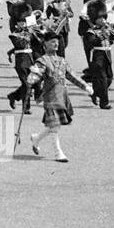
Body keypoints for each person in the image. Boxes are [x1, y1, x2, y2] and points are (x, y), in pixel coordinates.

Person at [26, 32, 91, 163]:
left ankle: (36, 138)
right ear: (45, 44)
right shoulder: (42, 60)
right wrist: (33, 77)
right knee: (55, 126)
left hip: (62, 96)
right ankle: (58, 153)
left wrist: (85, 86)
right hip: (50, 96)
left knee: (53, 125)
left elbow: (72, 76)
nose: (56, 44)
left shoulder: (62, 60)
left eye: (56, 41)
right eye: (52, 42)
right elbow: (37, 73)